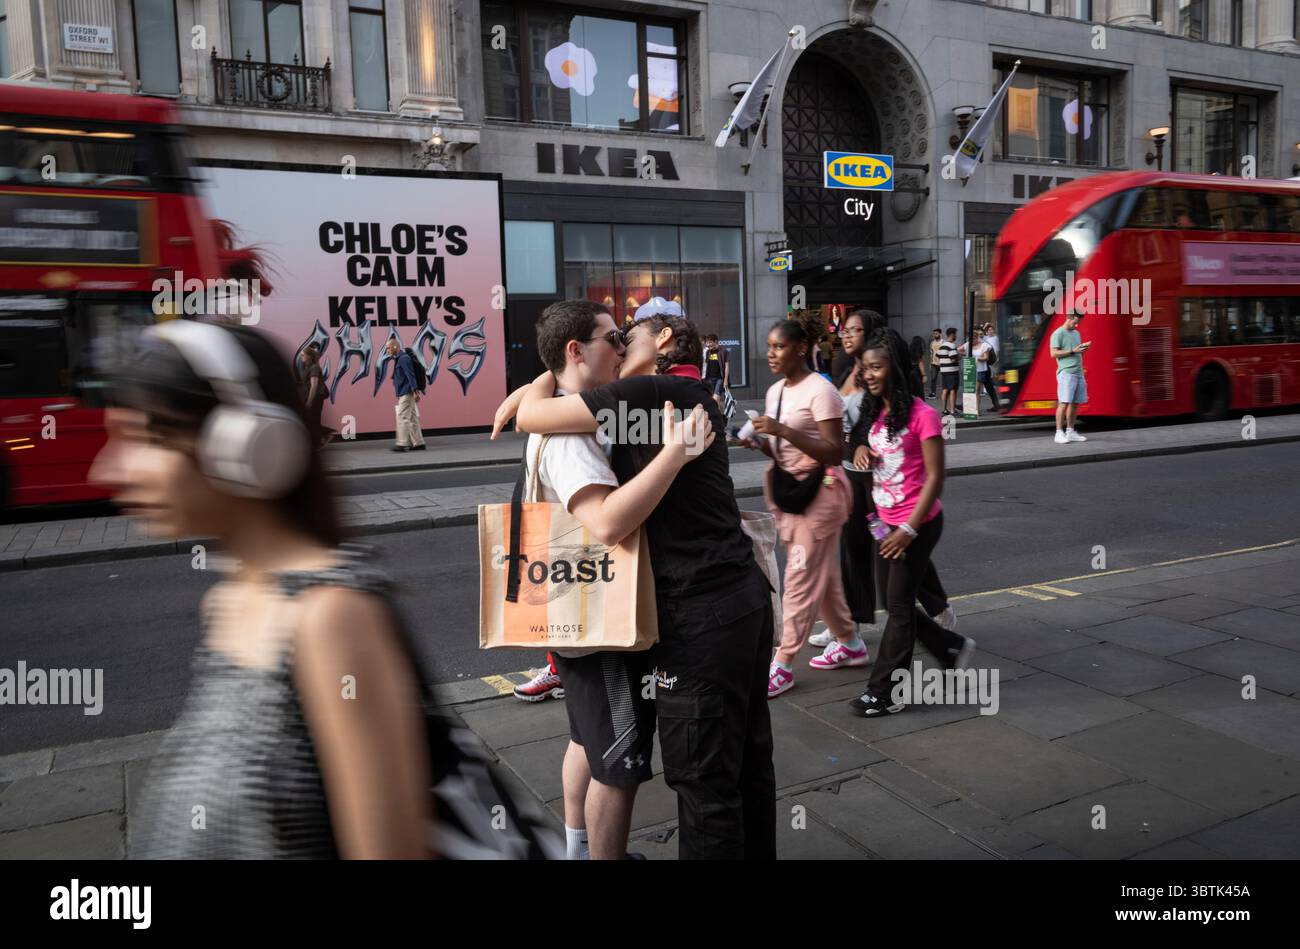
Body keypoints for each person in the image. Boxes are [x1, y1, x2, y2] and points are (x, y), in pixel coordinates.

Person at [91, 321, 433, 857]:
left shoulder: (331, 618)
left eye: (148, 439)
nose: (108, 469)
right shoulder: (229, 598)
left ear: (242, 441)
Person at [500, 311, 776, 861]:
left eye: (630, 336)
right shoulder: (692, 389)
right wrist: (537, 383)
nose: (623, 345)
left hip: (699, 617)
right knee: (745, 765)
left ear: (663, 341)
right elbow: (543, 405)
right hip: (740, 601)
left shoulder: (648, 389)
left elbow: (535, 416)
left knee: (703, 786)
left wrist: (530, 393)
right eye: (614, 338)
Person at [523, 299, 714, 860]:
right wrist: (675, 455)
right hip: (598, 620)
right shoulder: (570, 436)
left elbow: (577, 373)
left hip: (571, 610)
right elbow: (607, 522)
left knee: (586, 738)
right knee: (620, 763)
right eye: (614, 339)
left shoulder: (566, 405)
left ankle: (578, 849)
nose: (625, 346)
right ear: (578, 352)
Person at [846, 329, 975, 717]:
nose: (868, 374)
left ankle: (886, 691)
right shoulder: (877, 411)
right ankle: (949, 647)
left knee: (899, 607)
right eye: (865, 367)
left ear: (896, 369)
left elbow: (935, 479)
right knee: (893, 602)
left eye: (876, 367)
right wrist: (861, 447)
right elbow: (858, 444)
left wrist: (909, 530)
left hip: (915, 526)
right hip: (884, 524)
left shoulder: (925, 415)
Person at [746, 319, 862, 698]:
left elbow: (833, 451)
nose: (771, 353)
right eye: (769, 346)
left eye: (778, 346)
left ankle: (782, 662)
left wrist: (781, 431)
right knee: (820, 574)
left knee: (798, 576)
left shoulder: (822, 390)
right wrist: (762, 445)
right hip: (789, 493)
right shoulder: (776, 389)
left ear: (800, 348)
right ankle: (848, 641)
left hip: (820, 494)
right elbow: (785, 450)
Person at [811, 309, 877, 648]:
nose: (847, 335)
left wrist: (865, 442)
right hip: (847, 472)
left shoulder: (878, 371)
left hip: (877, 480)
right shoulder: (841, 368)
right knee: (851, 551)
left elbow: (887, 416)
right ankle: (847, 625)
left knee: (892, 553)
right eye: (845, 330)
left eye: (856, 330)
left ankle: (936, 608)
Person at [1050, 312, 1089, 443]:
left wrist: (1082, 349)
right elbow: (1053, 353)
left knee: (1075, 403)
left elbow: (1077, 352)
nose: (1077, 325)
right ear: (1069, 318)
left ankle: (1070, 431)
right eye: (1075, 322)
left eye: (1078, 322)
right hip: (1066, 373)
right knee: (1064, 403)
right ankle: (1058, 433)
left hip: (1078, 373)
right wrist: (1073, 351)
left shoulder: (1076, 333)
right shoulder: (1058, 333)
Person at [386, 338, 426, 453]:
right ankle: (418, 443)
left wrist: (415, 390)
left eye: (388, 348)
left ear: (395, 347)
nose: (387, 350)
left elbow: (410, 375)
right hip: (405, 391)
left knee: (402, 416)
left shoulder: (403, 359)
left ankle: (402, 443)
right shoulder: (400, 359)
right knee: (413, 418)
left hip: (407, 392)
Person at [959, 329, 1000, 413]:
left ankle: (976, 409)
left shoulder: (984, 345)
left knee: (977, 389)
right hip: (970, 369)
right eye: (970, 339)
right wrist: (966, 354)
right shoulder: (968, 345)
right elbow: (958, 349)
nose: (971, 341)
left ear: (976, 338)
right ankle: (969, 408)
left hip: (981, 370)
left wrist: (975, 358)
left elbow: (986, 358)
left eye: (973, 339)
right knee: (971, 389)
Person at [297, 344, 328, 447]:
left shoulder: (314, 368)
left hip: (315, 399)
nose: (301, 357)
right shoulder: (308, 367)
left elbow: (314, 386)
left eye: (303, 355)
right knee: (312, 420)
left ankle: (319, 441)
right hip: (312, 398)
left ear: (309, 356)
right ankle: (319, 440)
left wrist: (309, 401)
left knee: (313, 420)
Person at [702, 333, 731, 407]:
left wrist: (725, 381)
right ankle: (722, 415)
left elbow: (727, 367)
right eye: (707, 342)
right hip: (709, 379)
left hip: (719, 379)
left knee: (715, 399)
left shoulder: (723, 351)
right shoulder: (708, 352)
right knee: (712, 400)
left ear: (716, 342)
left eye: (710, 342)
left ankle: (716, 417)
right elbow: (706, 366)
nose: (708, 345)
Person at [937, 327, 960, 416]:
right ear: (952, 334)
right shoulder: (951, 345)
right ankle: (953, 411)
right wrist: (960, 356)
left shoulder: (942, 345)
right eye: (955, 334)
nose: (956, 336)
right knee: (953, 390)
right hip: (952, 371)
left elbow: (938, 355)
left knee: (945, 389)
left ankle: (944, 410)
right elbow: (953, 359)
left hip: (944, 371)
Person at [927, 329, 943, 398]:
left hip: (942, 363)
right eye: (934, 334)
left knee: (944, 379)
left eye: (936, 333)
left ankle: (945, 393)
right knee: (933, 379)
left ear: (940, 334)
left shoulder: (943, 342)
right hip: (934, 363)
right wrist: (930, 364)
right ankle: (933, 393)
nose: (935, 335)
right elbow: (931, 354)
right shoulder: (932, 343)